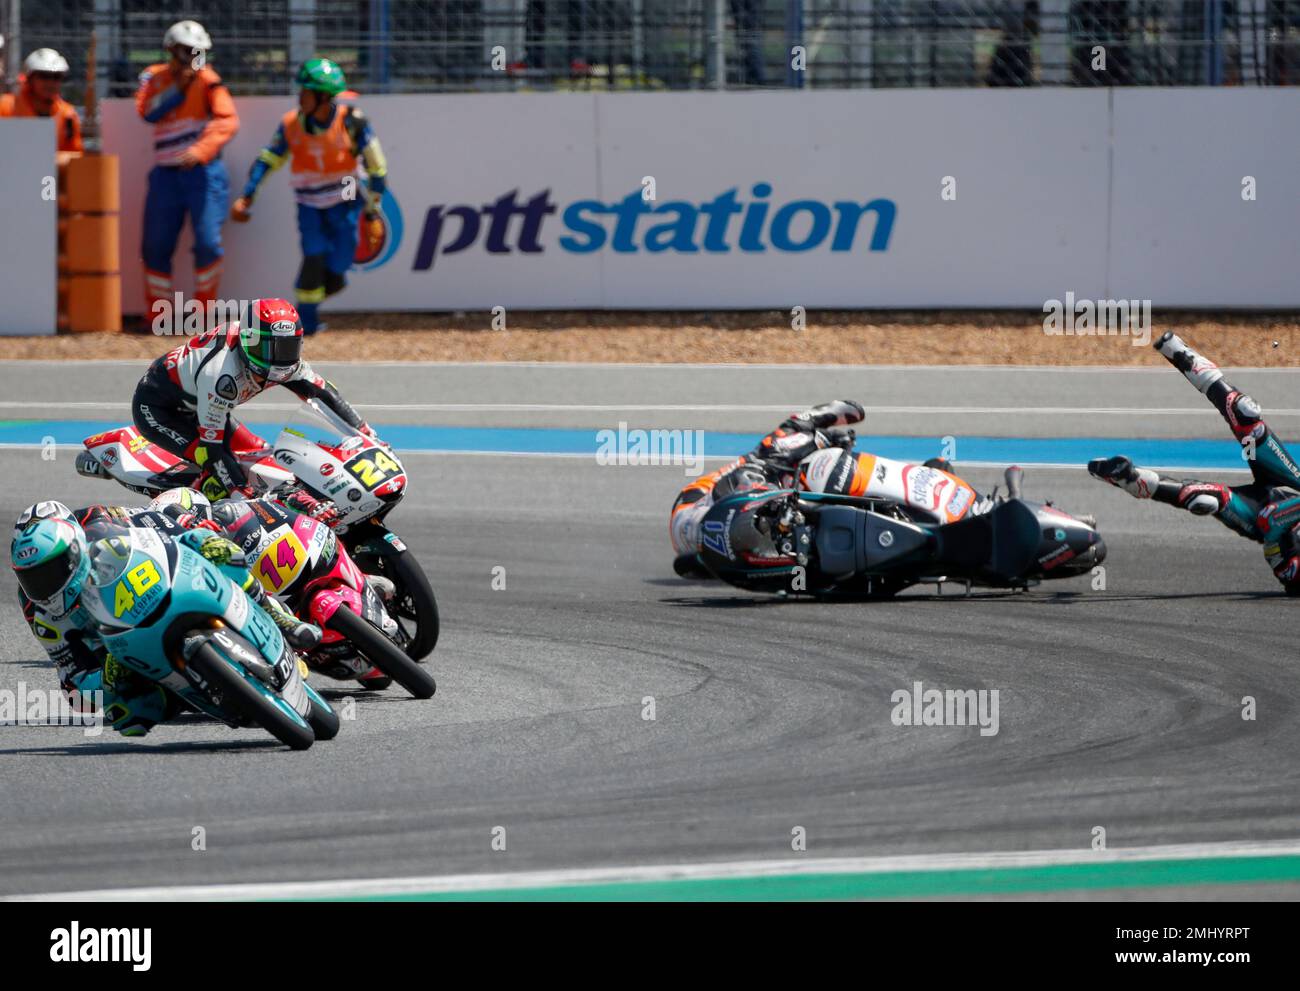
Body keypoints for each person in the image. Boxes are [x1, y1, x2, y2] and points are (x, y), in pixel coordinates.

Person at [11, 495, 320, 737]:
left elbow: (153, 521)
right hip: (116, 646)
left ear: (73, 547)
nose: (42, 586)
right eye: (32, 578)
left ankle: (276, 616)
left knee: (208, 544)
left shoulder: (98, 520)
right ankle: (171, 695)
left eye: (49, 572)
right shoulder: (35, 609)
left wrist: (187, 526)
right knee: (108, 708)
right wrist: (104, 679)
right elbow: (71, 674)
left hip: (152, 583)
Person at [670, 400, 987, 576]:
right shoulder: (767, 454)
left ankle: (948, 508)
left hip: (798, 498)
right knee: (821, 467)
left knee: (935, 467)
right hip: (721, 510)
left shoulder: (787, 448)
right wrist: (816, 440)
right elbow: (841, 410)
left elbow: (852, 411)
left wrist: (827, 437)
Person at [1090, 332, 1300, 593]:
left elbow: (1271, 525)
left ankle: (1135, 481)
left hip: (1260, 513)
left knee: (1206, 499)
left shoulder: (1290, 570)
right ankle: (1185, 358)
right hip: (1289, 482)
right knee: (1246, 415)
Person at [131, 297, 373, 501]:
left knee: (258, 451)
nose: (278, 359)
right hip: (158, 408)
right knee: (212, 464)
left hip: (198, 403)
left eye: (286, 348)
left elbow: (324, 395)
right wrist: (241, 492)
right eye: (267, 349)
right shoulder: (221, 375)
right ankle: (190, 512)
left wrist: (365, 433)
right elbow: (213, 449)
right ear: (247, 340)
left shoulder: (289, 364)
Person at [230, 58, 388, 335]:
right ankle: (306, 322)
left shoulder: (353, 122)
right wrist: (248, 194)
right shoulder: (291, 124)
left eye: (305, 92)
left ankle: (319, 293)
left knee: (339, 263)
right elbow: (269, 159)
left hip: (347, 201)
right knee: (313, 256)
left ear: (324, 97)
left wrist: (373, 211)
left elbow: (377, 168)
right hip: (309, 206)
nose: (299, 97)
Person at [135, 19, 238, 320]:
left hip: (203, 174)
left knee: (207, 243)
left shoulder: (209, 80)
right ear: (171, 50)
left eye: (198, 52)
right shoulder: (153, 77)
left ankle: (203, 314)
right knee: (155, 245)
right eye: (186, 52)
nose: (192, 59)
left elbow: (227, 120)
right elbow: (146, 111)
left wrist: (199, 151)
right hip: (165, 176)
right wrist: (177, 88)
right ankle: (158, 317)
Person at [0, 48, 83, 154]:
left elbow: (74, 154)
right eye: (44, 76)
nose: (51, 83)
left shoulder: (67, 115)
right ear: (30, 79)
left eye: (56, 77)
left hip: (53, 170)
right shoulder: (5, 107)